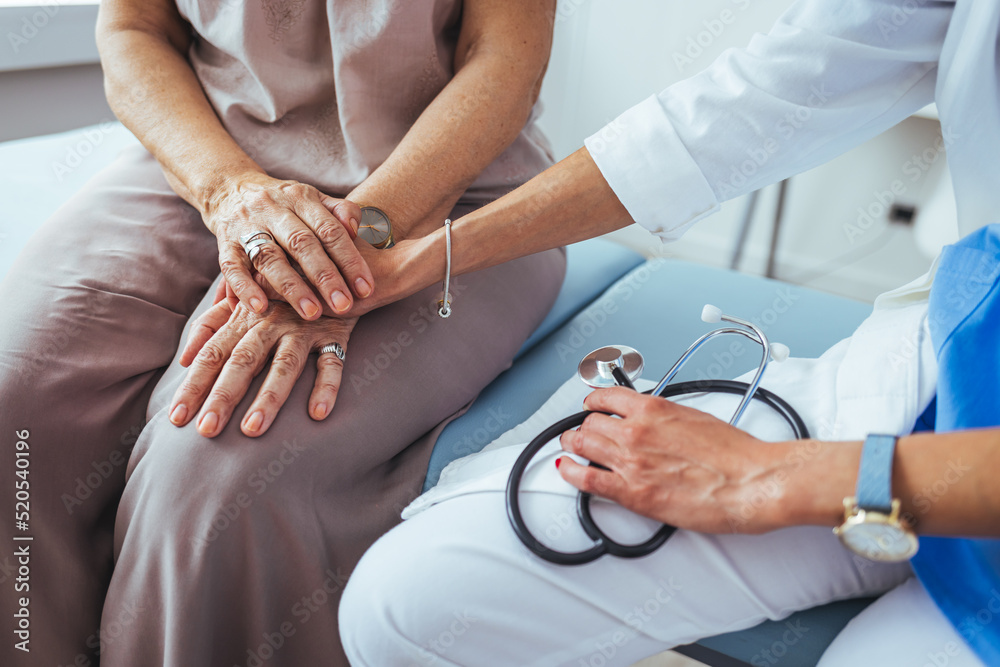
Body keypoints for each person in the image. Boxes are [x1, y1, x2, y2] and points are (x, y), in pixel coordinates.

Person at [318, 0, 1000, 664]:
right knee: (403, 606)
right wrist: (438, 251)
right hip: (945, 375)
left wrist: (771, 476)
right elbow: (767, 95)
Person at [0, 0, 565, 665]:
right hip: (205, 166)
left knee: (212, 479)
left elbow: (502, 60)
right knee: (17, 408)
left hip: (445, 194)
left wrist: (340, 253)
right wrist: (228, 191)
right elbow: (134, 27)